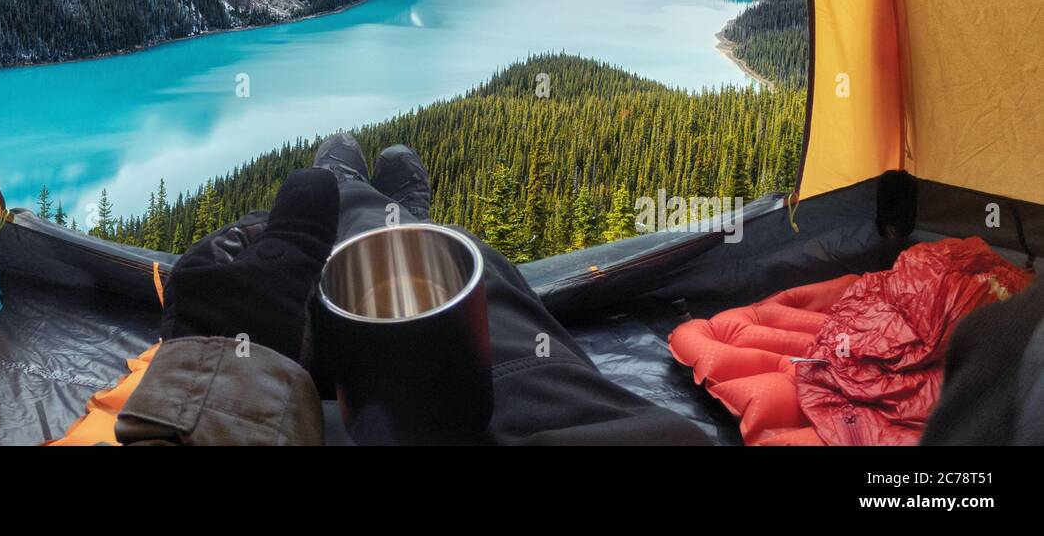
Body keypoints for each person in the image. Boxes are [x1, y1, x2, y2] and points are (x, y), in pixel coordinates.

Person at [115, 134, 710, 446]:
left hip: (360, 418)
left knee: (275, 249)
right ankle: (392, 215)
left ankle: (346, 201)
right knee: (487, 290)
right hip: (576, 421)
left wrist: (216, 384)